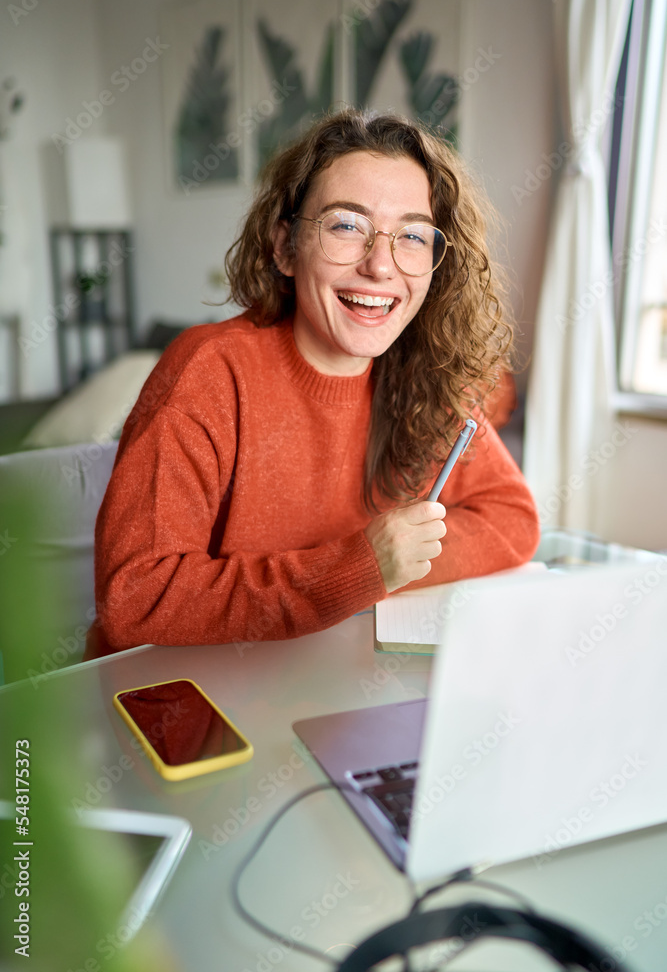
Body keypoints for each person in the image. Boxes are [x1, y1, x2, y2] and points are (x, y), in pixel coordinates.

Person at [85, 109, 540, 658]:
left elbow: (512, 518)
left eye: (412, 236)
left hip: (327, 680)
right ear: (284, 247)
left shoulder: (427, 376)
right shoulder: (208, 371)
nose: (381, 265)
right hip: (176, 700)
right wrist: (355, 570)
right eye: (346, 226)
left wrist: (392, 567)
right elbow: (136, 598)